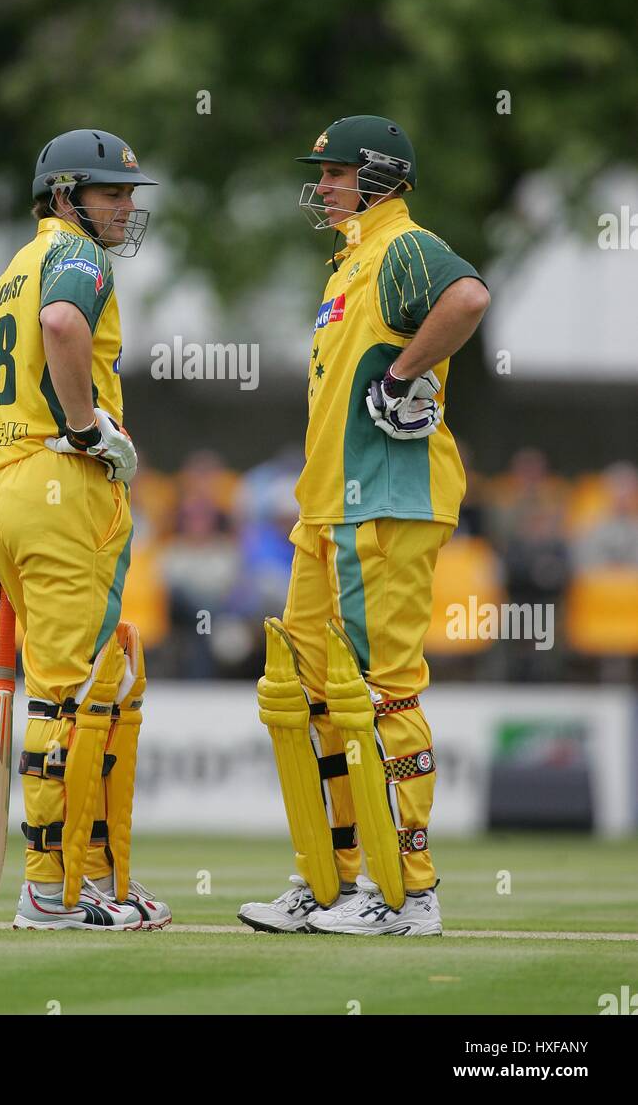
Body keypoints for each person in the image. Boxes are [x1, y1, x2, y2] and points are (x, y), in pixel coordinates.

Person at [238, 115, 489, 936]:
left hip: (385, 503)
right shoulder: (350, 261)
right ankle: (338, 879)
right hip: (330, 511)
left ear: (379, 177)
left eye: (336, 173)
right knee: (313, 699)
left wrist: (407, 374)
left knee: (383, 696)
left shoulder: (404, 248)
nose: (322, 187)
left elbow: (469, 295)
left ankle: (407, 893)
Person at [0, 129, 171, 930]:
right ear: (65, 198)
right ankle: (52, 892)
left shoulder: (14, 265)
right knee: (68, 697)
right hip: (59, 482)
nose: (125, 207)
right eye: (109, 192)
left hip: (5, 484)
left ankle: (87, 880)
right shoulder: (76, 259)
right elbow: (63, 326)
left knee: (91, 683)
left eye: (127, 193)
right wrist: (89, 429)